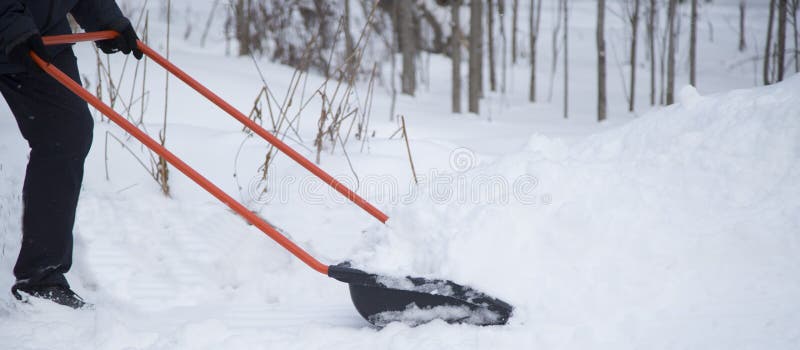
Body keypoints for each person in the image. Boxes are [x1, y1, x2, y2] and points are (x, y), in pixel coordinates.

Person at [0, 0, 142, 309]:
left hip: (40, 34)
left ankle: (42, 277)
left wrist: (106, 19)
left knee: (65, 131)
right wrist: (9, 22)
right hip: (12, 23)